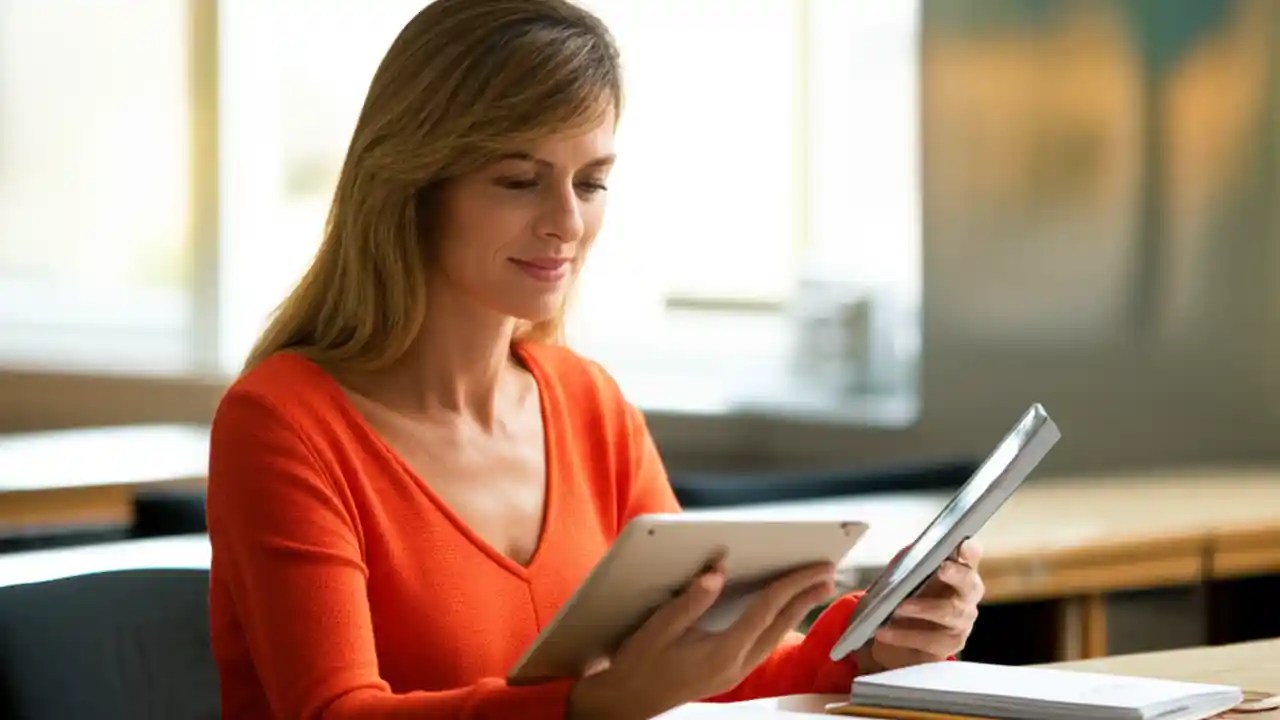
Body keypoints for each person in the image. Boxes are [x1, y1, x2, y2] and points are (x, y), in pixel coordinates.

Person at [206, 1, 986, 718]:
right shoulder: (282, 423)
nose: (567, 223)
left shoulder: (588, 404)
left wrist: (873, 645)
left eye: (592, 182)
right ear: (412, 186)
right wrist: (595, 705)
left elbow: (697, 672)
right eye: (519, 181)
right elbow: (335, 714)